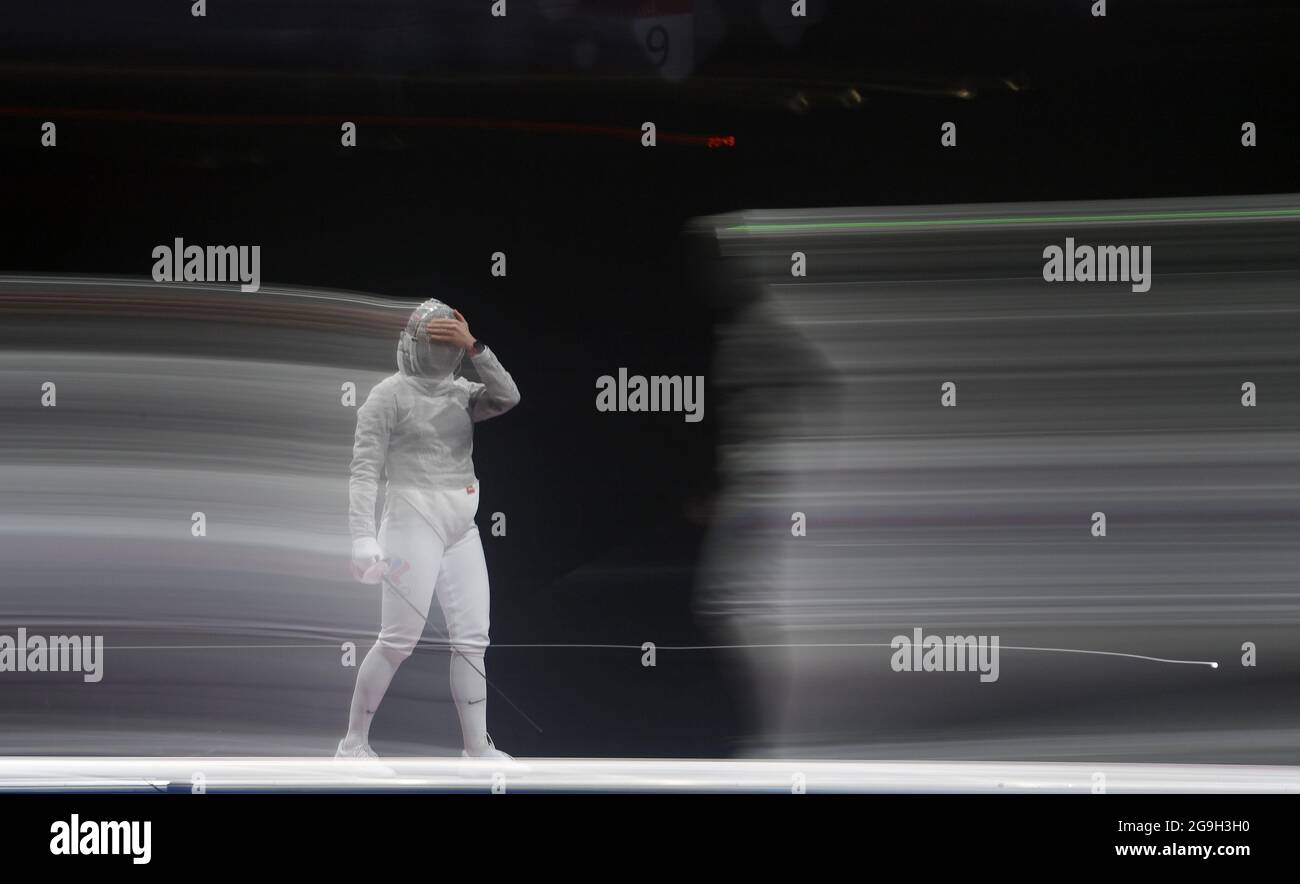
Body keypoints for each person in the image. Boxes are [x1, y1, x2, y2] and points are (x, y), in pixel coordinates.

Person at [337, 298, 520, 761]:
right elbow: (364, 471)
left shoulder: (462, 393)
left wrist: (476, 347)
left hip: (461, 525)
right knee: (398, 640)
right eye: (435, 342)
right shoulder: (387, 395)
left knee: (474, 638)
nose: (440, 352)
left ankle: (477, 748)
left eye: (449, 344)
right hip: (410, 522)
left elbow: (508, 396)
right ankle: (353, 743)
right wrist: (363, 536)